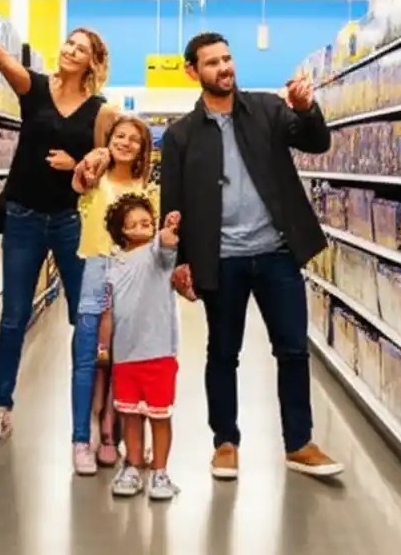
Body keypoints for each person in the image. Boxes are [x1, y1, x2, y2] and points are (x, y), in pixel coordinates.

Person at [160, 31, 344, 480]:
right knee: (222, 353)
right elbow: (173, 205)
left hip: (277, 252)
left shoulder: (266, 108)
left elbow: (316, 142)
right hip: (220, 259)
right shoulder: (181, 135)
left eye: (227, 58)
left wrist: (305, 109)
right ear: (192, 72)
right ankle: (225, 442)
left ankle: (299, 443)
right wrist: (178, 262)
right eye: (212, 63)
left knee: (293, 350)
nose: (224, 68)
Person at [0, 11, 119, 442]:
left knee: (84, 318)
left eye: (80, 48)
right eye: (68, 43)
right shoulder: (36, 89)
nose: (70, 50)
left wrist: (79, 165)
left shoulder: (100, 112)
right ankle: (0, 407)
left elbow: (109, 166)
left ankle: (88, 409)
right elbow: (4, 62)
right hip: (24, 216)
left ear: (93, 62)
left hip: (71, 221)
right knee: (13, 317)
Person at [68, 116, 156, 474]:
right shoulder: (93, 178)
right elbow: (78, 179)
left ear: (143, 149)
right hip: (95, 272)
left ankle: (114, 436)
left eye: (134, 139)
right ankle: (80, 439)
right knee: (88, 359)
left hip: (134, 279)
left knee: (127, 362)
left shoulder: (148, 188)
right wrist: (94, 154)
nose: (125, 142)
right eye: (119, 136)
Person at [97, 194, 182, 500]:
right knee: (130, 415)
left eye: (146, 220)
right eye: (133, 223)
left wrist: (168, 231)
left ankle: (160, 472)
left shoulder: (156, 255)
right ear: (121, 230)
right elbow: (106, 310)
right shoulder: (113, 265)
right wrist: (103, 347)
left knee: (160, 416)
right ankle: (133, 466)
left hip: (159, 352)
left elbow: (166, 247)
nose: (142, 226)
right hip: (125, 355)